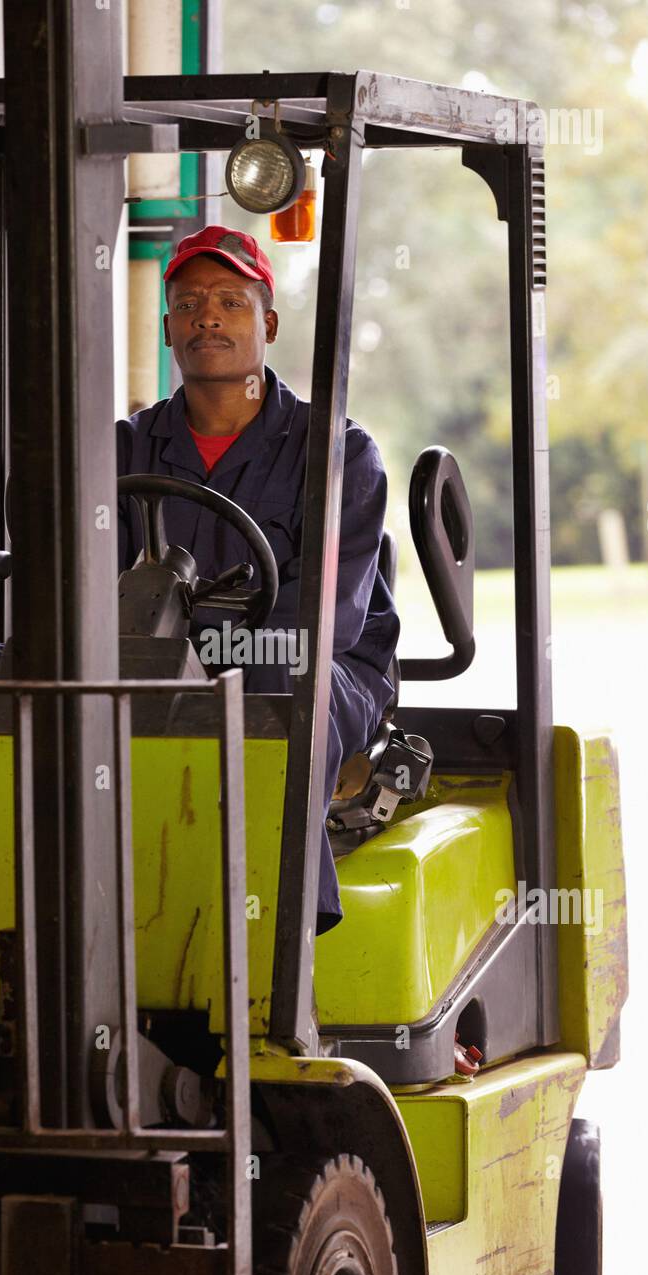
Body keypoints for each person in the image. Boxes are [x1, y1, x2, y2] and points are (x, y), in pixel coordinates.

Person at [115, 224, 399, 938]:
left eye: (229, 301)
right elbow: (94, 591)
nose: (206, 315)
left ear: (266, 323)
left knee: (278, 679)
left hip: (319, 670)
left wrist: (201, 660)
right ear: (169, 326)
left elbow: (321, 622)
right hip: (155, 666)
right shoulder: (123, 448)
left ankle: (281, 935)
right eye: (187, 303)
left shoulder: (336, 452)